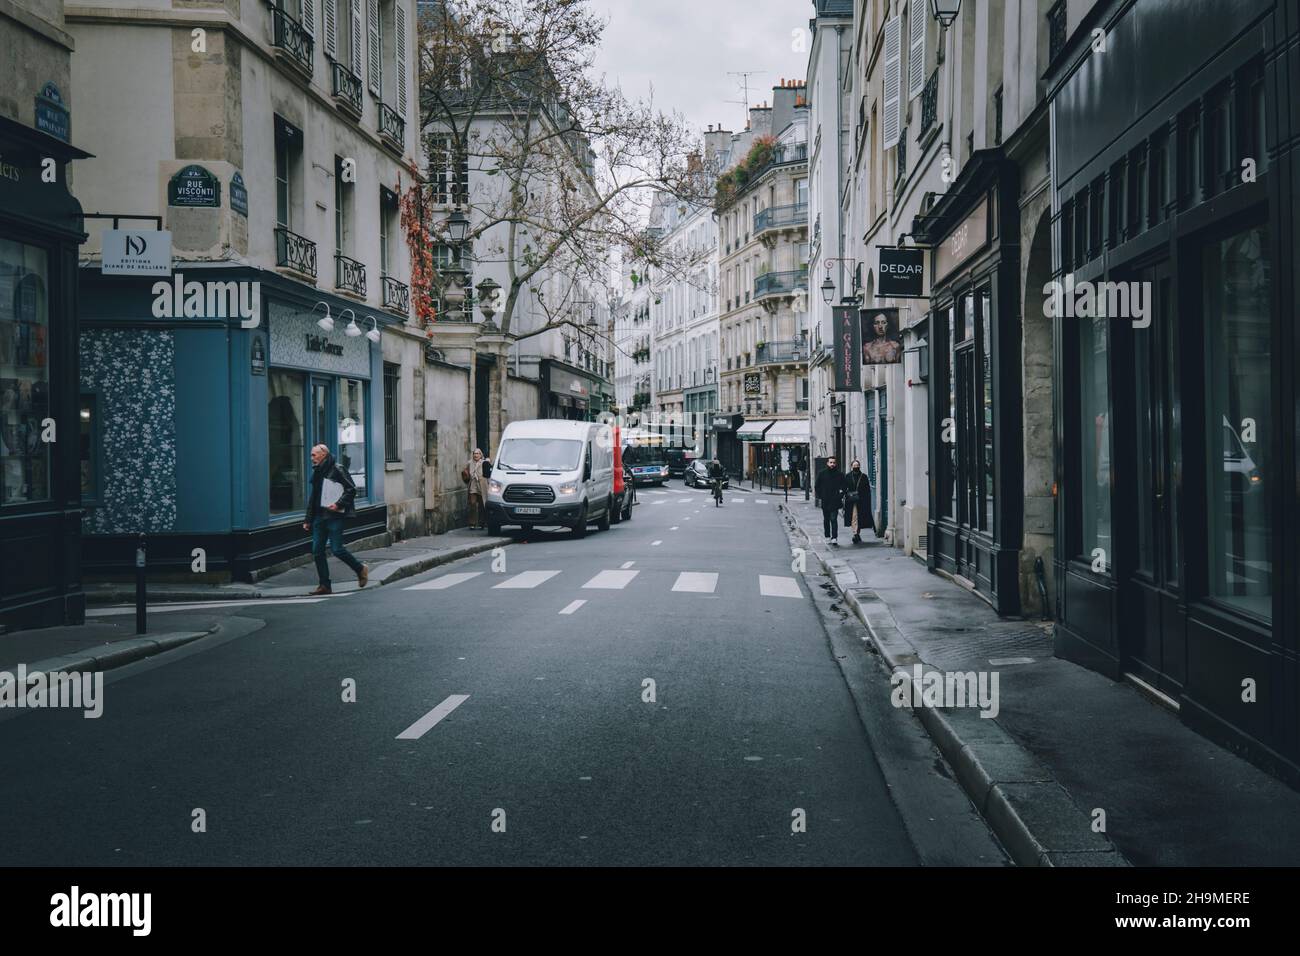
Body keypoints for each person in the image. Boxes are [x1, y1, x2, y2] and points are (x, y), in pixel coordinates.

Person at [303, 443, 367, 595]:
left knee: (337, 549)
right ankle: (324, 585)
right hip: (319, 516)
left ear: (323, 454)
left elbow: (351, 489)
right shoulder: (317, 471)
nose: (311, 458)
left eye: (314, 455)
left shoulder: (337, 469)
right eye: (311, 455)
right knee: (317, 551)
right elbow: (314, 497)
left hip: (334, 516)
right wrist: (308, 519)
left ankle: (360, 569)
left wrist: (338, 504)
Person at [814, 456, 844, 545]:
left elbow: (844, 486)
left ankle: (834, 537)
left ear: (836, 464)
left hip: (835, 500)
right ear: (827, 463)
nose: (832, 464)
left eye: (833, 463)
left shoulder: (839, 474)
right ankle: (827, 536)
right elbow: (817, 486)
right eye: (831, 462)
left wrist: (840, 495)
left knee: (833, 519)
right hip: (825, 500)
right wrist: (821, 496)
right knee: (826, 519)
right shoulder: (822, 473)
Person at [843, 459, 871, 544]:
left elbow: (867, 489)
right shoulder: (848, 476)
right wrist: (846, 495)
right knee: (854, 516)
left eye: (857, 465)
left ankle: (857, 533)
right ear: (851, 466)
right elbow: (844, 487)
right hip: (851, 500)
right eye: (854, 465)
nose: (856, 467)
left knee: (859, 517)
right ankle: (855, 533)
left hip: (861, 500)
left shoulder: (864, 476)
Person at [464, 448, 490, 529]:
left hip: (482, 485)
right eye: (474, 453)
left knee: (482, 505)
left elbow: (488, 474)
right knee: (472, 503)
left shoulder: (484, 462)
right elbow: (465, 473)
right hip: (473, 485)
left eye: (477, 453)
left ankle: (482, 522)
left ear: (480, 455)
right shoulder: (469, 463)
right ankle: (472, 523)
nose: (476, 455)